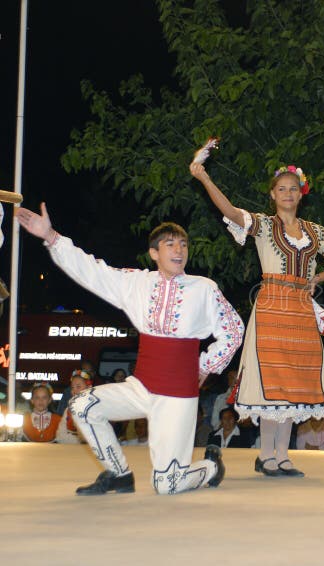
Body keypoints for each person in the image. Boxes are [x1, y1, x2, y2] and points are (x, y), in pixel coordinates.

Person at [15, 204, 244, 495]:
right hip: (141, 387)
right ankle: (118, 473)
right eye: (170, 244)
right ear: (154, 253)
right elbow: (93, 271)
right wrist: (51, 236)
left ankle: (210, 467)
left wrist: (205, 365)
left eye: (183, 244)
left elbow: (234, 330)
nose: (179, 250)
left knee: (167, 485)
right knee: (82, 405)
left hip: (177, 396)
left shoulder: (203, 288)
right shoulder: (136, 282)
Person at [191, 161, 324, 478]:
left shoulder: (316, 232)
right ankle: (267, 455)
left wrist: (318, 278)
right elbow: (230, 211)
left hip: (301, 310)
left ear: (301, 194)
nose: (288, 193)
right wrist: (204, 177)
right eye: (282, 189)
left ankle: (282, 455)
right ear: (273, 194)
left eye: (293, 189)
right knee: (273, 383)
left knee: (294, 384)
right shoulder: (263, 224)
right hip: (272, 308)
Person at [55, 370, 92, 444]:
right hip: (70, 447)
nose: (74, 390)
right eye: (72, 387)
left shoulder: (93, 409)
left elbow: (93, 437)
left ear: (89, 388)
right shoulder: (68, 410)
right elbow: (59, 435)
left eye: (78, 387)